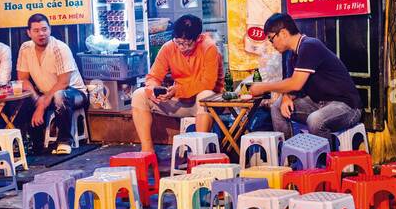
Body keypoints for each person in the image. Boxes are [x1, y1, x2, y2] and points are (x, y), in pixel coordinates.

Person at [250, 12, 362, 146]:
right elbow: (291, 83)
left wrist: (262, 87)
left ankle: (323, 164)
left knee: (315, 120)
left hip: (347, 107)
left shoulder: (310, 46)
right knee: (277, 107)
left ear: (283, 33)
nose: (271, 44)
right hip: (319, 103)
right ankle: (291, 157)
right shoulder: (292, 54)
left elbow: (296, 83)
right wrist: (286, 97)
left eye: (271, 38)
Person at [132, 14, 224, 154]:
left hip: (207, 103)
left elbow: (208, 84)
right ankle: (147, 151)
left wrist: (177, 91)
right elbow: (153, 77)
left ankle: (200, 153)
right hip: (181, 102)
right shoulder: (168, 48)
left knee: (205, 95)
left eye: (187, 43)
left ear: (198, 38)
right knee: (139, 95)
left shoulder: (209, 48)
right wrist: (153, 90)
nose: (182, 47)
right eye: (178, 42)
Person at [17, 14, 88, 155]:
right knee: (22, 97)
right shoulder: (25, 48)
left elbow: (64, 82)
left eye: (44, 29)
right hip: (45, 93)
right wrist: (37, 99)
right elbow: (23, 79)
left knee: (59, 95)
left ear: (50, 29)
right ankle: (33, 143)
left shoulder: (59, 48)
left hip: (74, 93)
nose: (41, 34)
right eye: (36, 31)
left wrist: (42, 105)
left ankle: (65, 141)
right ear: (29, 33)